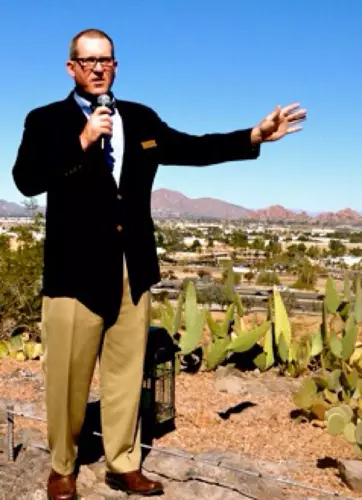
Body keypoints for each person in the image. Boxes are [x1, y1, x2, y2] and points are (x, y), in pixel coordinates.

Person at [12, 28, 306, 500]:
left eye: (105, 59)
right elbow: (26, 180)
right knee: (67, 378)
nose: (97, 68)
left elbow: (192, 148)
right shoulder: (46, 120)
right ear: (71, 68)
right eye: (87, 61)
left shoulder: (141, 118)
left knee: (126, 374)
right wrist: (83, 141)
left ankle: (122, 463)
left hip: (132, 268)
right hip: (74, 273)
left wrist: (254, 136)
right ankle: (63, 466)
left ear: (116, 65)